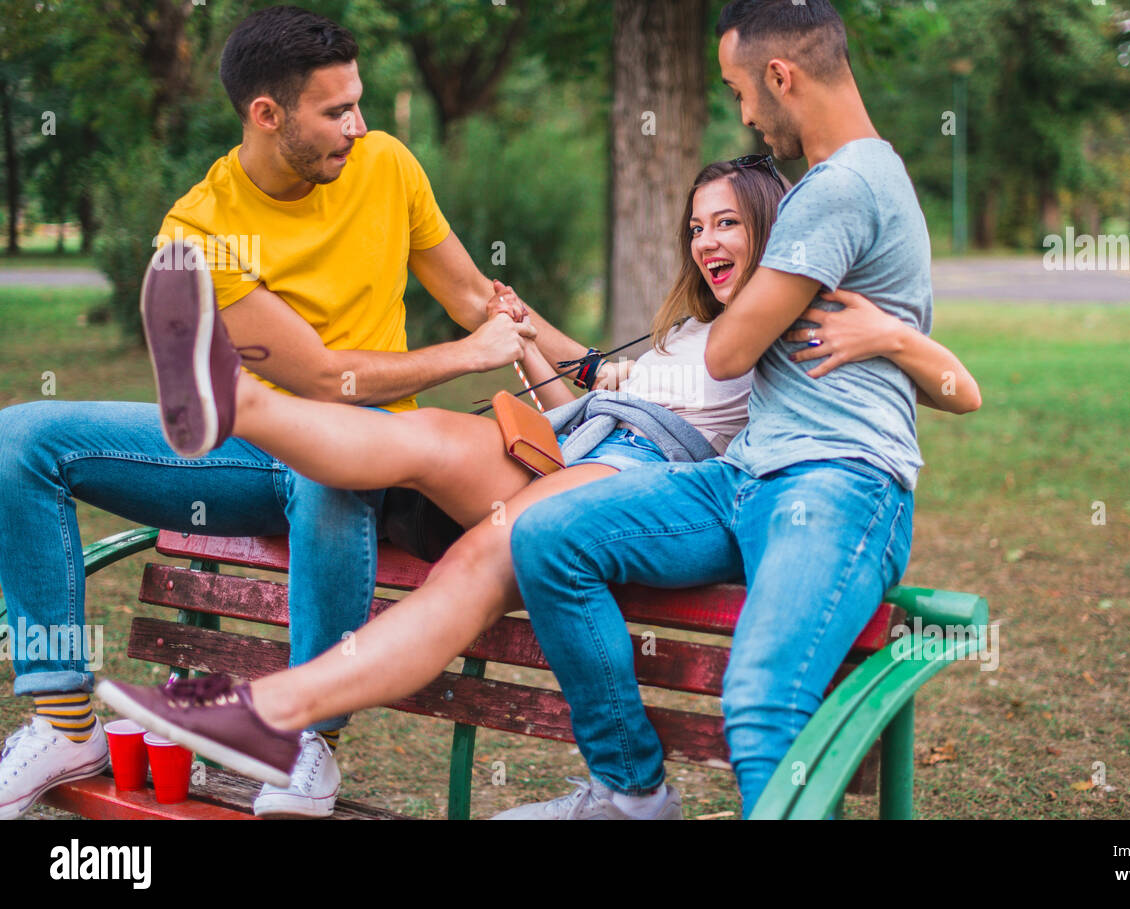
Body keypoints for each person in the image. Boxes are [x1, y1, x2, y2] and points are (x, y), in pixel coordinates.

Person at [95, 152, 979, 819]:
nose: (708, 240)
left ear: (770, 231)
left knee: (479, 546)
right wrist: (520, 335)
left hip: (639, 468)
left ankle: (279, 689)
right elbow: (589, 390)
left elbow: (956, 388)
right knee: (425, 437)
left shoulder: (778, 321)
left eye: (729, 224)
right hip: (579, 443)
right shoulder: (687, 336)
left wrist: (900, 339)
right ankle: (237, 401)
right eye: (698, 225)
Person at [0, 5, 588, 820]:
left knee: (331, 463)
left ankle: (306, 740)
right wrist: (466, 355)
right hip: (250, 447)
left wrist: (591, 368)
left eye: (359, 102)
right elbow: (320, 377)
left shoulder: (385, 167)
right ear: (266, 115)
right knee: (19, 438)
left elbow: (475, 299)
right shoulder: (202, 231)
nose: (360, 125)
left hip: (360, 456)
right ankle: (64, 719)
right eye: (337, 110)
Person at [484, 0, 976, 819]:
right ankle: (631, 792)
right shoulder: (857, 181)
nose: (745, 115)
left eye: (741, 90)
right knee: (550, 537)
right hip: (745, 474)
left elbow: (728, 348)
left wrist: (890, 340)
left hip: (835, 481)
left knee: (759, 703)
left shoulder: (840, 187)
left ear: (781, 75)